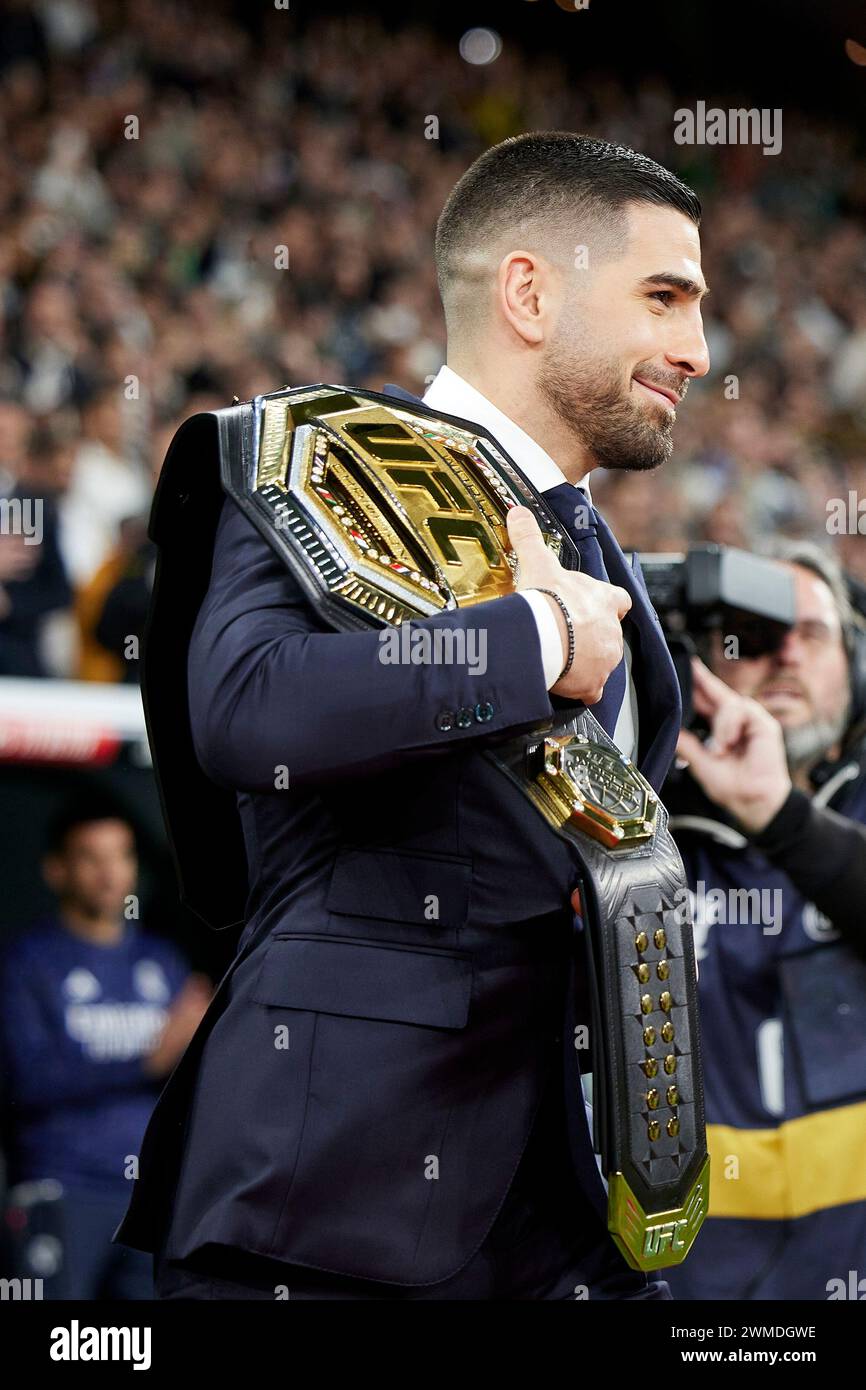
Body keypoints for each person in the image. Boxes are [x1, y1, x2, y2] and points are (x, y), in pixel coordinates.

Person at [115, 131, 711, 1300]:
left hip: (569, 1233)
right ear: (528, 293)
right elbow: (249, 713)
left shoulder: (611, 565)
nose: (695, 349)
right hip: (326, 1209)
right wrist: (534, 640)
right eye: (663, 297)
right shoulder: (309, 455)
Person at [665, 544, 866, 1299]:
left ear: (856, 665)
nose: (783, 652)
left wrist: (782, 819)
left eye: (810, 633)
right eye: (752, 631)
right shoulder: (636, 833)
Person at [0, 797, 211, 1299]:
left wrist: (200, 1042)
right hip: (62, 1188)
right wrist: (148, 1061)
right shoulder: (27, 963)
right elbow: (28, 1079)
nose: (109, 873)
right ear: (57, 870)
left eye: (121, 856)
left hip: (148, 1197)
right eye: (91, 857)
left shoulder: (161, 961)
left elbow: (189, 1077)